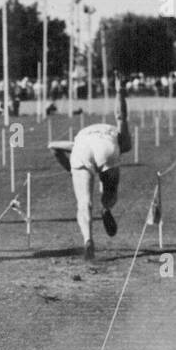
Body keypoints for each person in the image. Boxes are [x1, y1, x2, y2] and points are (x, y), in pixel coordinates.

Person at [48, 71, 129, 260]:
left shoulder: (83, 136)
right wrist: (120, 93)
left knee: (83, 203)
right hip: (107, 148)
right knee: (110, 193)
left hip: (81, 147)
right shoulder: (119, 137)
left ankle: (88, 239)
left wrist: (72, 170)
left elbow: (53, 147)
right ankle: (107, 208)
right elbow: (121, 116)